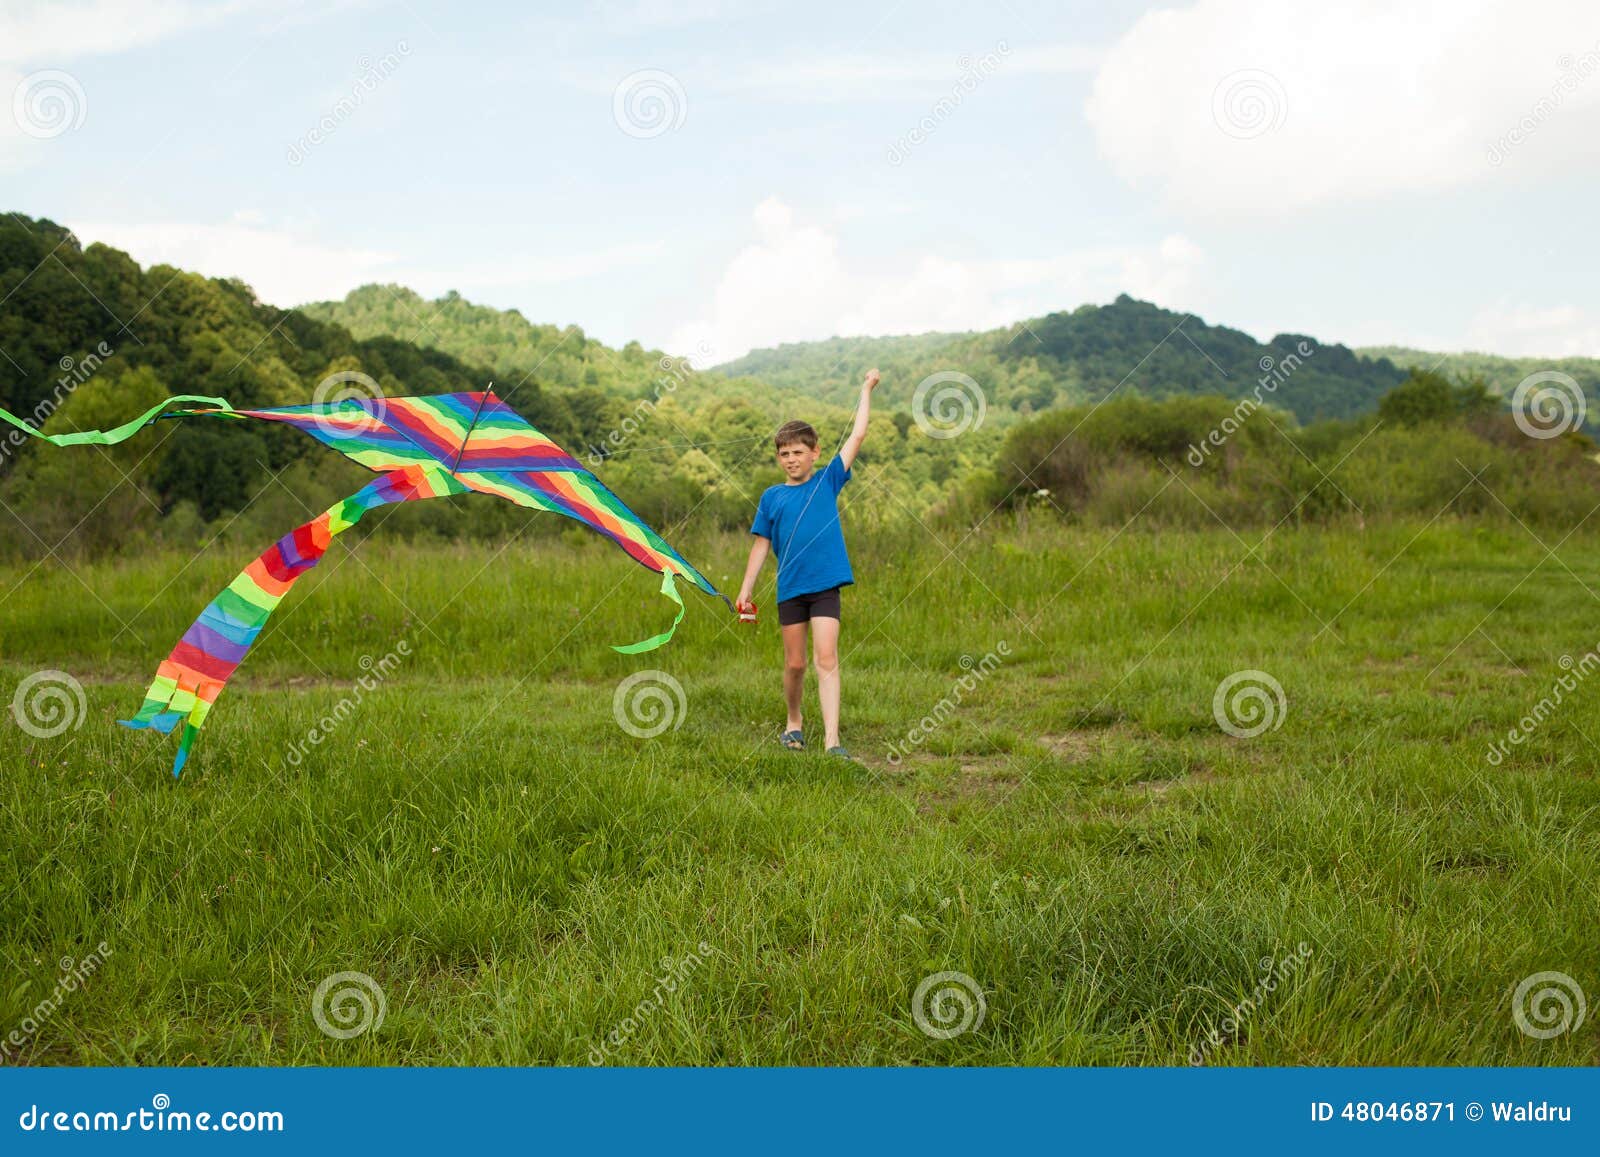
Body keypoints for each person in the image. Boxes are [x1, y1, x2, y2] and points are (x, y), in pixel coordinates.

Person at [735, 369, 880, 758]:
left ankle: (833, 740)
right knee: (796, 664)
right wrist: (747, 588)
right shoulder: (772, 497)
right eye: (784, 454)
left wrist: (865, 389)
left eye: (798, 452)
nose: (790, 459)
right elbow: (761, 546)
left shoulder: (829, 479)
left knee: (826, 658)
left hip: (825, 586)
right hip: (791, 590)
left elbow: (858, 435)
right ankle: (794, 722)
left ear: (814, 453)